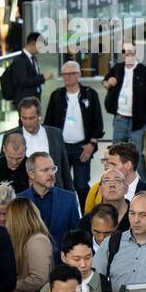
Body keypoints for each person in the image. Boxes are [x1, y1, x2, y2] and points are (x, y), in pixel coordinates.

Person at [46, 59, 105, 202]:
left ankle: (86, 216)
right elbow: (48, 123)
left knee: (81, 185)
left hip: (82, 148)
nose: (67, 77)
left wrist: (92, 144)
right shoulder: (57, 95)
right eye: (64, 74)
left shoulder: (90, 94)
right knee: (61, 184)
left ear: (78, 74)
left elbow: (98, 122)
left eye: (71, 74)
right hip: (61, 148)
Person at [101, 42, 146, 177]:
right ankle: (115, 182)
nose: (128, 54)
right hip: (120, 119)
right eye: (125, 51)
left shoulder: (145, 72)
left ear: (136, 52)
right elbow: (104, 82)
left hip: (138, 122)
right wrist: (108, 83)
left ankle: (143, 186)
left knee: (136, 156)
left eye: (130, 51)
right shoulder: (117, 68)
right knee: (115, 156)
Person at [17, 151, 81, 249]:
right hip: (30, 260)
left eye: (53, 169)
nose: (51, 174)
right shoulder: (18, 201)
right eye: (45, 170)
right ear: (31, 174)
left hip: (62, 261)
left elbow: (76, 235)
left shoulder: (69, 198)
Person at [4, 31, 51, 106]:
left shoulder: (33, 59)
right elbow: (24, 81)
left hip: (34, 98)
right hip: (25, 100)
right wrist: (42, 77)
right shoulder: (20, 60)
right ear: (33, 44)